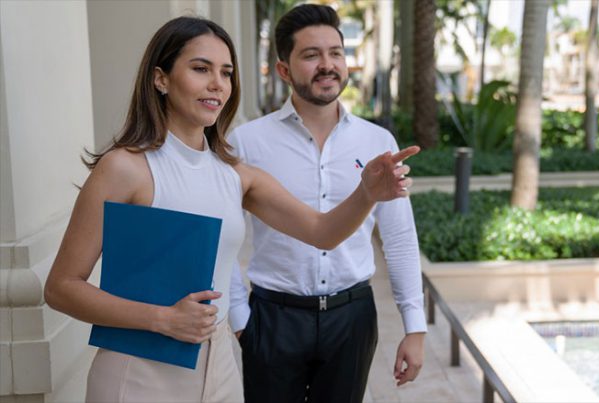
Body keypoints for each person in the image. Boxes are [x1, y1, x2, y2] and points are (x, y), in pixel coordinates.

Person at [43, 16, 417, 403]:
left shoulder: (236, 175)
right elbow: (61, 288)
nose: (217, 84)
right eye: (200, 68)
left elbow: (322, 232)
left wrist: (366, 193)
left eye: (226, 72)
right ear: (161, 79)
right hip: (139, 371)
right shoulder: (125, 168)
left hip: (218, 367)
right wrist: (162, 319)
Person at [229, 4, 426, 403]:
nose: (327, 65)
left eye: (336, 52)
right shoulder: (246, 142)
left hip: (352, 317)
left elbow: (400, 238)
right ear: (283, 69)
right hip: (273, 317)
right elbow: (223, 239)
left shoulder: (378, 143)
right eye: (311, 54)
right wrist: (240, 318)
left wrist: (415, 327)